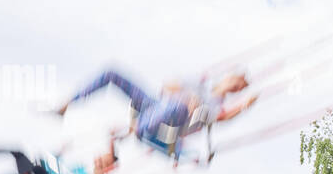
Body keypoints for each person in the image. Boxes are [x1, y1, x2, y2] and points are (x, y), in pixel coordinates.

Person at [57, 69, 257, 163]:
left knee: (180, 107)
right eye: (235, 81)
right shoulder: (201, 81)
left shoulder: (216, 106)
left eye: (238, 87)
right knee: (112, 74)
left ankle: (138, 129)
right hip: (153, 106)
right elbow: (167, 86)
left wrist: (243, 106)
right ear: (229, 76)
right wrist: (188, 95)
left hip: (170, 125)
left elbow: (222, 117)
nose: (233, 86)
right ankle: (68, 104)